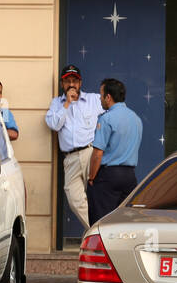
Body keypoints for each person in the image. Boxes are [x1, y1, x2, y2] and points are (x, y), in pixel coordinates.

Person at [45, 64, 101, 229]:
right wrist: (67, 104)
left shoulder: (93, 99)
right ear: (62, 85)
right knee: (75, 199)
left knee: (96, 197)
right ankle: (96, 231)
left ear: (80, 83)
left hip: (91, 153)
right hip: (70, 158)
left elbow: (111, 114)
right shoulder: (57, 103)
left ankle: (97, 235)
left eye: (74, 81)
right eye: (67, 81)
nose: (71, 84)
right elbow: (53, 125)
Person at [86, 78, 143, 223]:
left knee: (101, 223)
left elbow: (98, 154)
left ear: (108, 97)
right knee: (124, 223)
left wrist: (91, 177)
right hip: (130, 177)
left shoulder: (106, 119)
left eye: (101, 95)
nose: (100, 98)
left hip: (108, 177)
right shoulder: (136, 118)